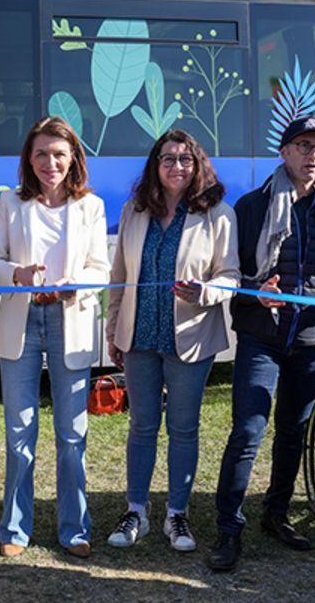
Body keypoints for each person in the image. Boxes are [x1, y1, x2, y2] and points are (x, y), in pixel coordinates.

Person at [209, 115, 315, 572]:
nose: (313, 155)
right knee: (248, 431)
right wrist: (257, 291)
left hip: (312, 340)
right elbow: (230, 274)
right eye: (304, 145)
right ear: (284, 151)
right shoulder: (252, 206)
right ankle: (228, 528)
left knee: (293, 432)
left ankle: (276, 513)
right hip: (262, 337)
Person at [104, 129, 240, 554]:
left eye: (185, 159)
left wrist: (205, 292)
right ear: (155, 165)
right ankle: (136, 511)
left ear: (197, 165)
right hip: (140, 335)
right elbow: (119, 276)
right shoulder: (134, 210)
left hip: (191, 338)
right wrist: (113, 330)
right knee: (142, 425)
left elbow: (231, 275)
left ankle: (177, 514)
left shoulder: (218, 214)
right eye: (168, 159)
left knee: (183, 428)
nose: (176, 166)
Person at [0, 117, 109, 558]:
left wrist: (77, 284)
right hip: (22, 322)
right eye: (41, 154)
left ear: (73, 158)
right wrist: (16, 273)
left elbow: (100, 268)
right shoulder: (11, 202)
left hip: (69, 322)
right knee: (19, 432)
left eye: (58, 154)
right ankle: (15, 529)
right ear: (28, 158)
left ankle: (74, 529)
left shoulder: (91, 206)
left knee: (72, 435)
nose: (49, 162)